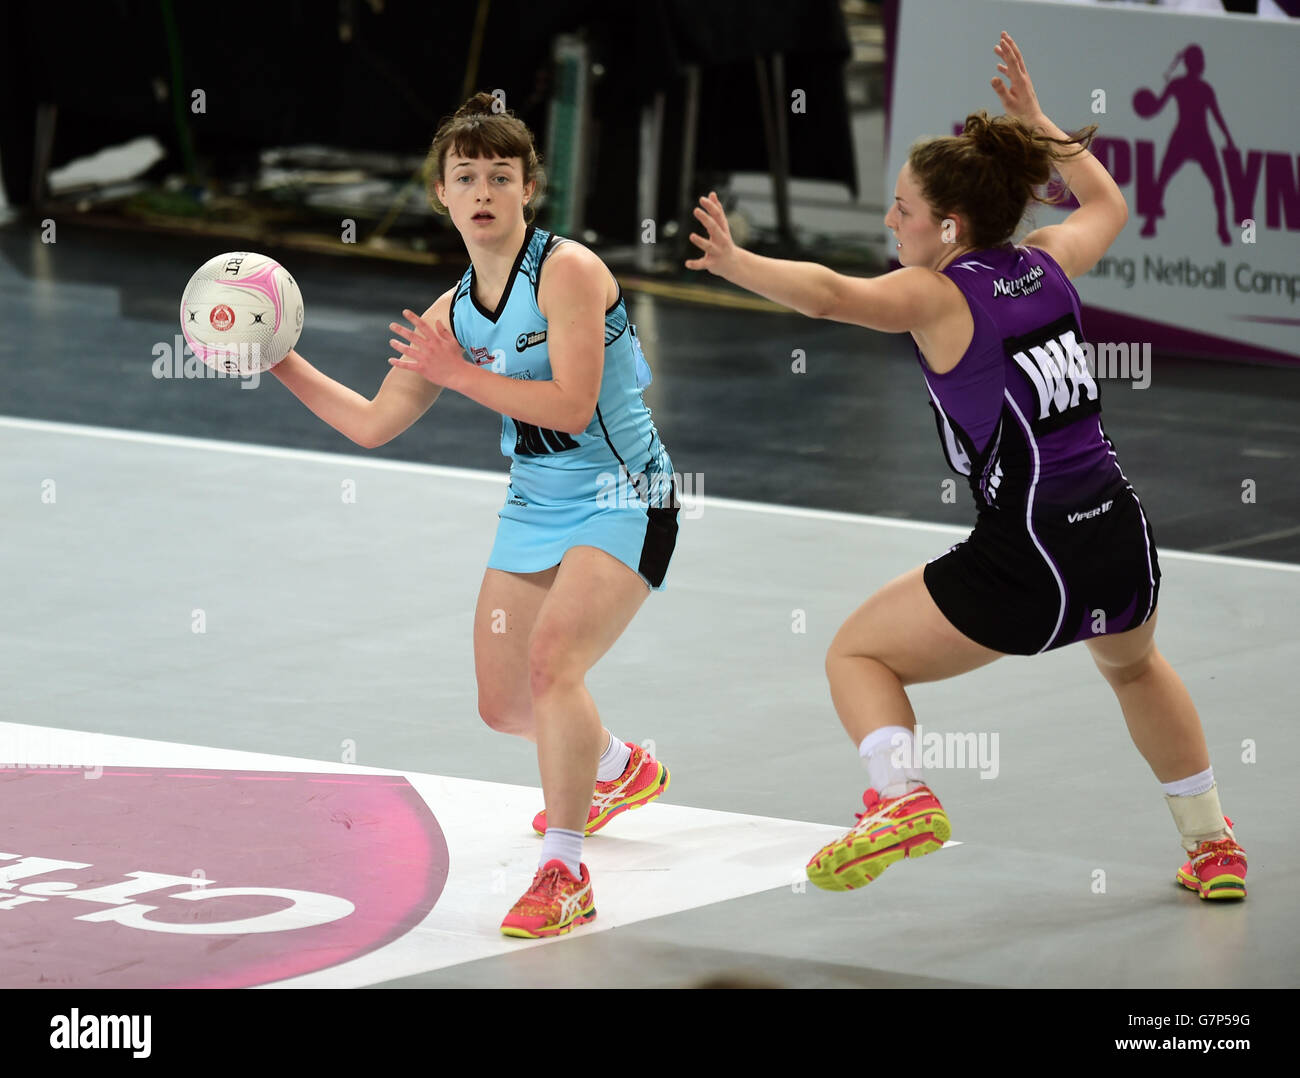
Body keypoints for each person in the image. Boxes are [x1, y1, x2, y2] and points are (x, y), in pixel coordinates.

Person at [686, 31, 1246, 901]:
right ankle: (1212, 848)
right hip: (1115, 526)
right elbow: (1110, 204)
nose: (890, 221)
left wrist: (735, 262)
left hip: (1028, 548)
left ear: (948, 226)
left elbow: (832, 295)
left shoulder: (936, 296)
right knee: (1134, 665)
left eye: (902, 209)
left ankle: (900, 796)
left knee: (856, 657)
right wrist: (1039, 121)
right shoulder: (1051, 259)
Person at [270, 92, 679, 937]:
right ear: (443, 196)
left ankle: (563, 870)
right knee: (503, 705)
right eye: (467, 176)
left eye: (501, 174)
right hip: (535, 500)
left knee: (552, 666)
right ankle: (615, 766)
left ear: (529, 186)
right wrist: (279, 358)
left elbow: (570, 405)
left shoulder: (567, 270)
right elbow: (374, 423)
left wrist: (457, 375)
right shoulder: (449, 315)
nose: (484, 188)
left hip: (624, 491)